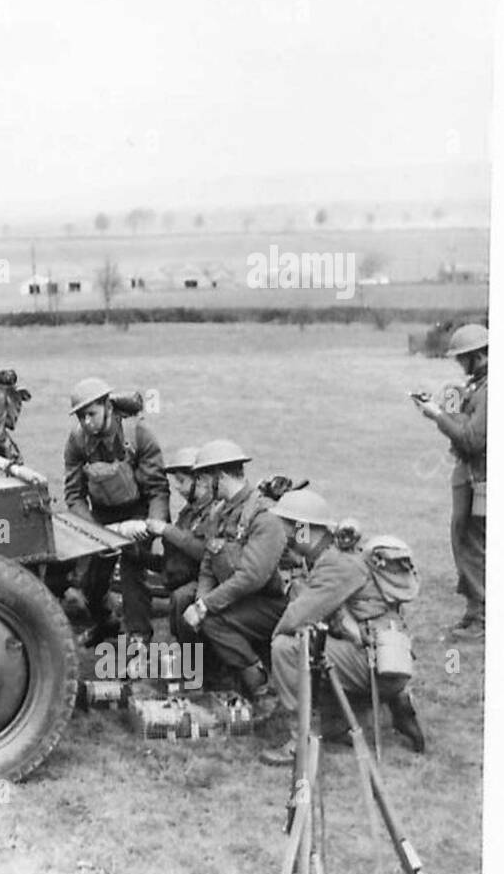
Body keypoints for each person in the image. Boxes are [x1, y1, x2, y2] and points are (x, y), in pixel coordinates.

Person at [259, 490, 425, 766]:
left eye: (288, 527)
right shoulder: (335, 554)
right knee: (316, 641)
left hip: (376, 662)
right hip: (382, 654)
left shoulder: (336, 563)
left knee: (286, 648)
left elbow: (298, 616)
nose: (284, 536)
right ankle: (341, 722)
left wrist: (274, 638)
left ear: (303, 529)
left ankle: (299, 742)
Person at [181, 439, 287, 716]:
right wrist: (201, 598)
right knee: (183, 601)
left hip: (273, 604)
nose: (202, 486)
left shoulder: (265, 516)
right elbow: (207, 560)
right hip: (241, 598)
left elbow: (252, 576)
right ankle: (211, 675)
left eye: (205, 478)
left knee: (213, 620)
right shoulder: (220, 511)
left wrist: (205, 607)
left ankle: (263, 690)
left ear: (222, 476)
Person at [63, 377, 169, 645]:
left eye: (91, 414)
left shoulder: (138, 434)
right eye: (80, 416)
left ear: (107, 407)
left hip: (138, 510)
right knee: (88, 580)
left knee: (134, 576)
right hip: (100, 517)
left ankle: (138, 639)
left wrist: (153, 526)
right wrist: (95, 534)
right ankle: (106, 623)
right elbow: (74, 496)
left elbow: (157, 488)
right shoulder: (77, 441)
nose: (86, 422)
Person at [413, 322, 487, 641]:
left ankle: (482, 618)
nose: (459, 364)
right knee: (465, 538)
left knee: (473, 542)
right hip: (471, 474)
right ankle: (475, 613)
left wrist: (436, 416)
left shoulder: (490, 389)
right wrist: (442, 409)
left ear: (479, 356)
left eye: (462, 358)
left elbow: (472, 439)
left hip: (481, 477)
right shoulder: (478, 385)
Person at [142, 446, 215, 642]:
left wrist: (166, 530)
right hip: (182, 581)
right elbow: (171, 562)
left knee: (182, 598)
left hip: (206, 582)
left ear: (200, 480)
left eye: (182, 481)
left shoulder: (213, 513)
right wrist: (137, 555)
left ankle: (200, 663)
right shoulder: (188, 513)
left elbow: (203, 552)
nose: (179, 488)